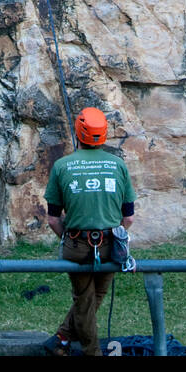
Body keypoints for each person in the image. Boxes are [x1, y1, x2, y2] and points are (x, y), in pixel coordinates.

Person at [43, 106, 136, 357]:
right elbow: (128, 217)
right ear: (104, 134)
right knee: (95, 296)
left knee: (85, 300)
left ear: (78, 132)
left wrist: (69, 239)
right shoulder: (118, 165)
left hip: (77, 245)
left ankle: (64, 339)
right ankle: (88, 351)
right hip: (111, 246)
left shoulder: (62, 166)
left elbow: (53, 219)